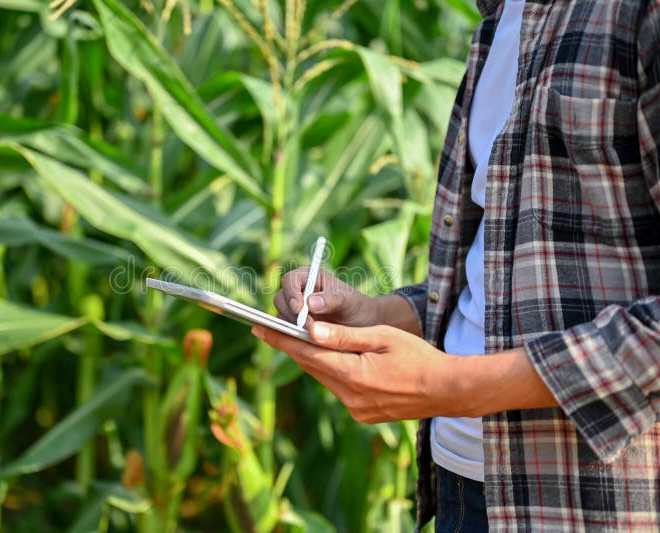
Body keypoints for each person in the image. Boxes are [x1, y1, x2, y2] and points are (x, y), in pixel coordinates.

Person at [251, 0, 660, 530]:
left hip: (592, 505)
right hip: (461, 487)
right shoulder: (501, 19)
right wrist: (376, 313)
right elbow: (504, 277)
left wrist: (450, 386)